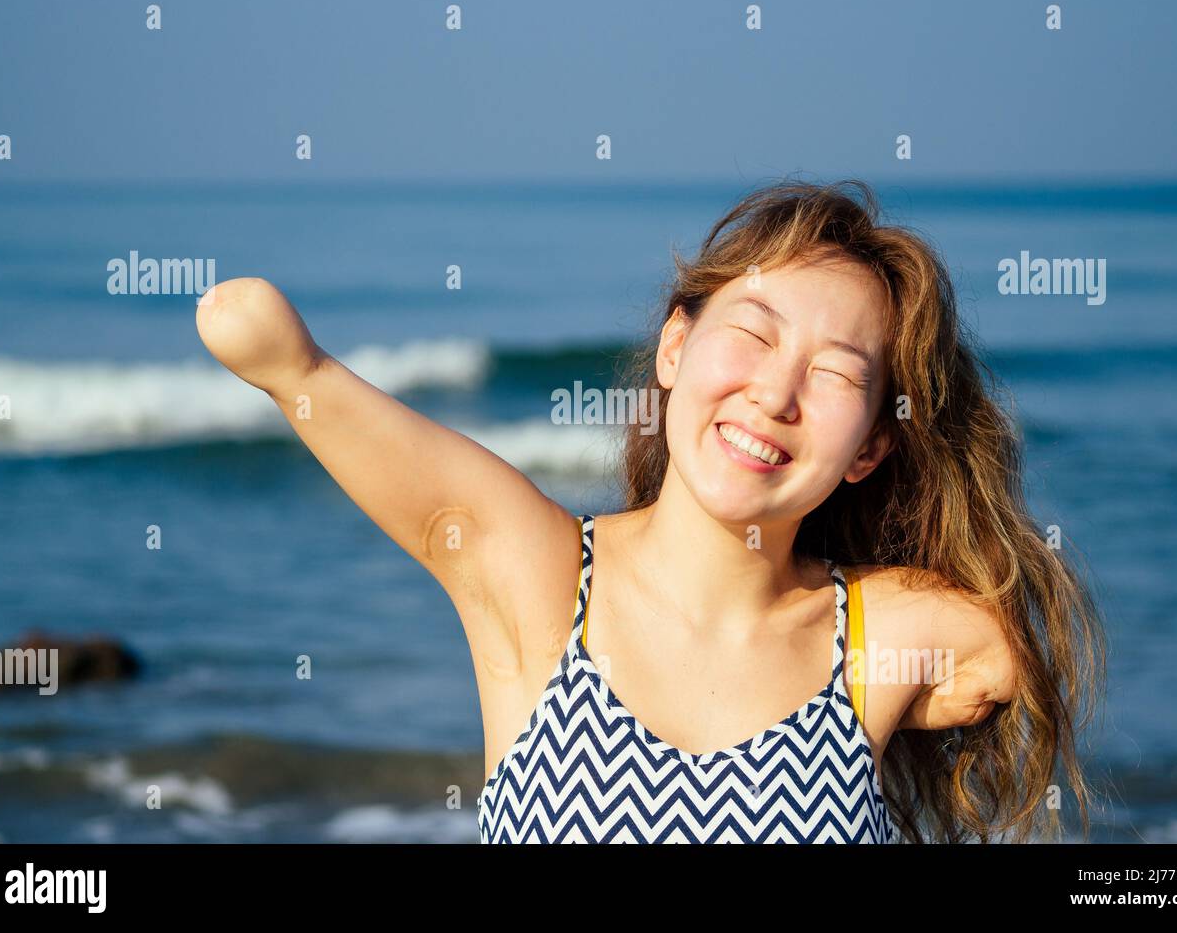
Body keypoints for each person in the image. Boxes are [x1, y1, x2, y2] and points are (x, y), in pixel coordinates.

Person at [196, 178, 1105, 843]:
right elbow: (341, 413)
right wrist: (289, 365)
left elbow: (998, 654)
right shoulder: (545, 582)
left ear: (870, 445)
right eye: (752, 333)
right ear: (677, 345)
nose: (775, 394)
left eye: (835, 376)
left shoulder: (875, 638)